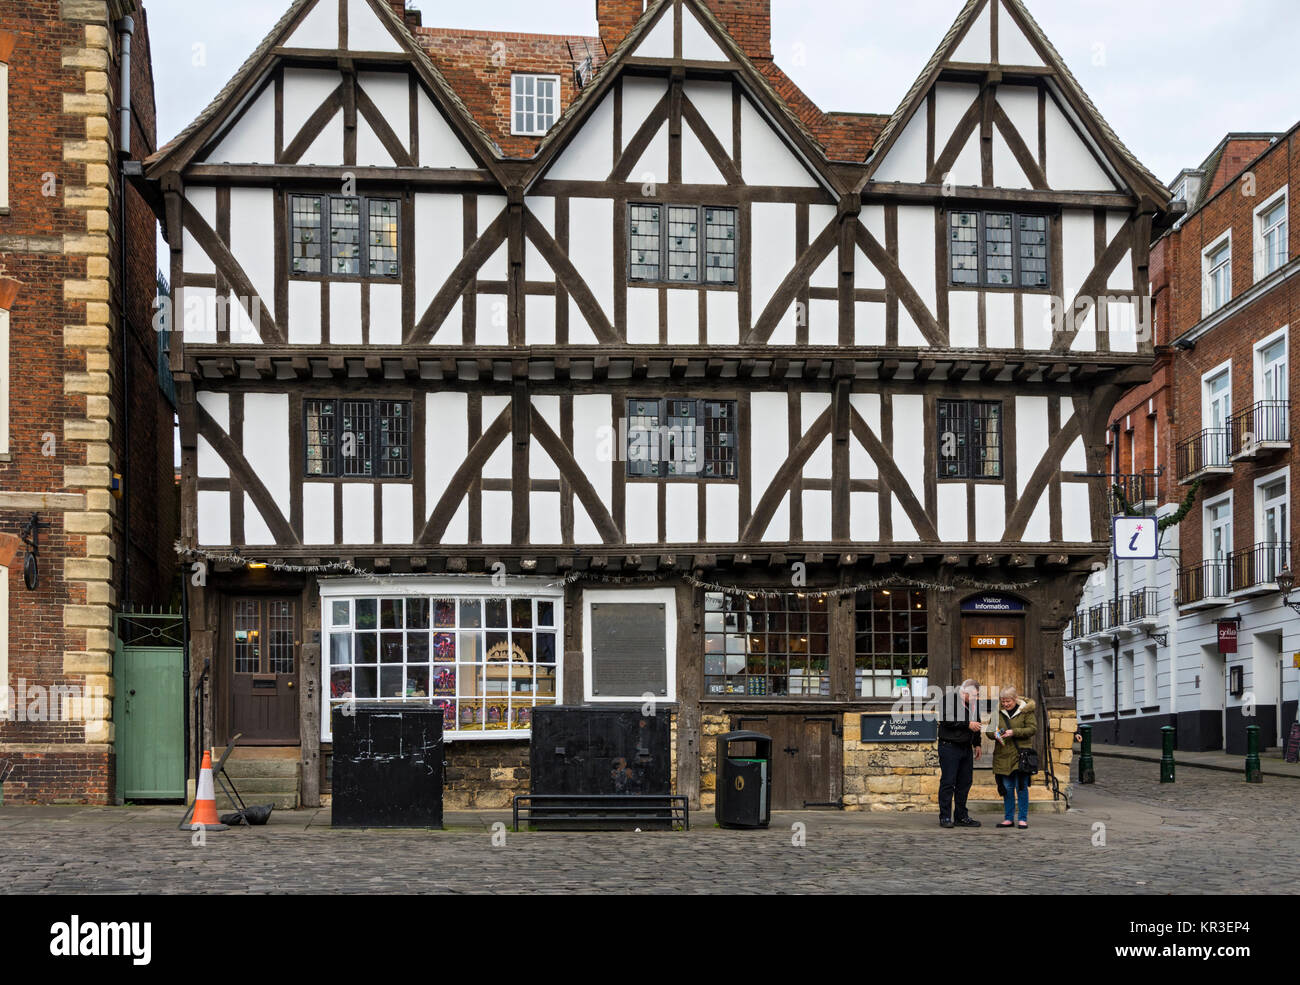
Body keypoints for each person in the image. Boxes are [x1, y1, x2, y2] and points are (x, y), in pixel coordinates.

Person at [937, 679, 984, 828]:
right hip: (949, 747)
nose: (976, 698)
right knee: (948, 782)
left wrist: (977, 744)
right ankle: (945, 817)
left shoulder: (974, 704)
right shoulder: (948, 699)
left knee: (964, 783)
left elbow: (976, 724)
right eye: (974, 695)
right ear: (964, 692)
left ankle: (961, 816)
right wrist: (967, 723)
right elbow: (945, 720)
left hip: (966, 748)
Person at [991, 685, 1037, 829]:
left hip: (1021, 755)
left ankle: (1023, 818)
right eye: (1003, 701)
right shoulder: (997, 712)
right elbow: (989, 730)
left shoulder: (1026, 711)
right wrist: (996, 734)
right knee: (1007, 788)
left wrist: (1013, 732)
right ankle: (1008, 818)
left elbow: (1032, 729)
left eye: (1008, 701)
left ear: (1015, 699)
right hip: (1003, 755)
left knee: (1021, 787)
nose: (1005, 704)